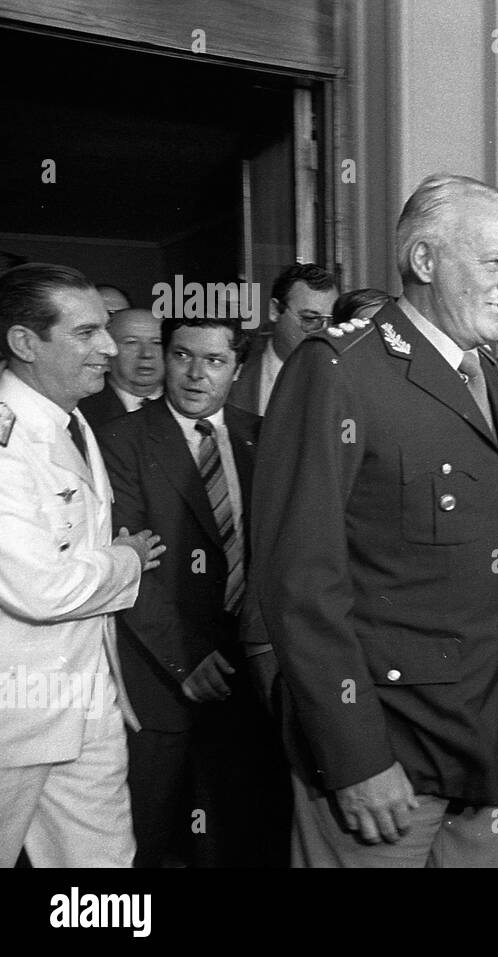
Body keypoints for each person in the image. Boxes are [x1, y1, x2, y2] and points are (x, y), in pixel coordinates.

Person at [244, 173, 498, 867]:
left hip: (482, 748)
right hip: (388, 764)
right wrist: (354, 758)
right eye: (496, 262)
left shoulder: (484, 372)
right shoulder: (339, 370)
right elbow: (299, 585)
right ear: (425, 261)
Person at [99, 314, 289, 867]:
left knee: (244, 837)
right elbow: (130, 567)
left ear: (238, 368)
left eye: (214, 360)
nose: (194, 373)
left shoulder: (262, 434)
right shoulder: (122, 441)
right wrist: (186, 660)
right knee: (152, 839)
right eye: (182, 355)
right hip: (164, 677)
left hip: (253, 673)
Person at [0, 263, 164, 867]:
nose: (109, 347)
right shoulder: (6, 440)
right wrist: (126, 559)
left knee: (102, 868)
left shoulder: (70, 418)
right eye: (85, 333)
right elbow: (41, 588)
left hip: (85, 703)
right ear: (25, 343)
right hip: (13, 715)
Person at [227, 263, 338, 416]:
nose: (325, 331)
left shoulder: (345, 375)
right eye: (310, 319)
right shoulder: (236, 366)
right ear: (275, 311)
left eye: (333, 321)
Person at [79, 308, 164, 430]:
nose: (147, 354)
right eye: (131, 342)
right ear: (108, 349)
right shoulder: (83, 410)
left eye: (157, 343)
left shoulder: (187, 403)